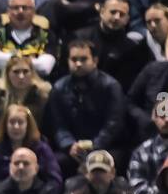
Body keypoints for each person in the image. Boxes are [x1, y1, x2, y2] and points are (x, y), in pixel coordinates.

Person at [44, 38, 127, 178]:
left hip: (105, 146)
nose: (78, 63)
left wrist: (95, 146)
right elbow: (58, 125)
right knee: (54, 162)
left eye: (83, 59)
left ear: (95, 61)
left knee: (115, 159)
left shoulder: (111, 86)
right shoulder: (59, 88)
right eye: (74, 59)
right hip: (72, 149)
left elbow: (114, 123)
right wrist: (69, 145)